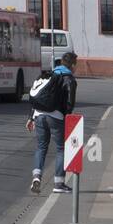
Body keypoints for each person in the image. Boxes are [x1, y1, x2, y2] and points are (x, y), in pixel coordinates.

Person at [27, 50, 78, 194]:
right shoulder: (69, 78)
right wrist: (67, 117)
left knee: (41, 147)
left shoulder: (47, 74)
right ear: (72, 65)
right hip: (55, 116)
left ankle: (36, 177)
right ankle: (59, 183)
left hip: (38, 114)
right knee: (62, 148)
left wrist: (31, 118)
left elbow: (37, 95)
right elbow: (70, 104)